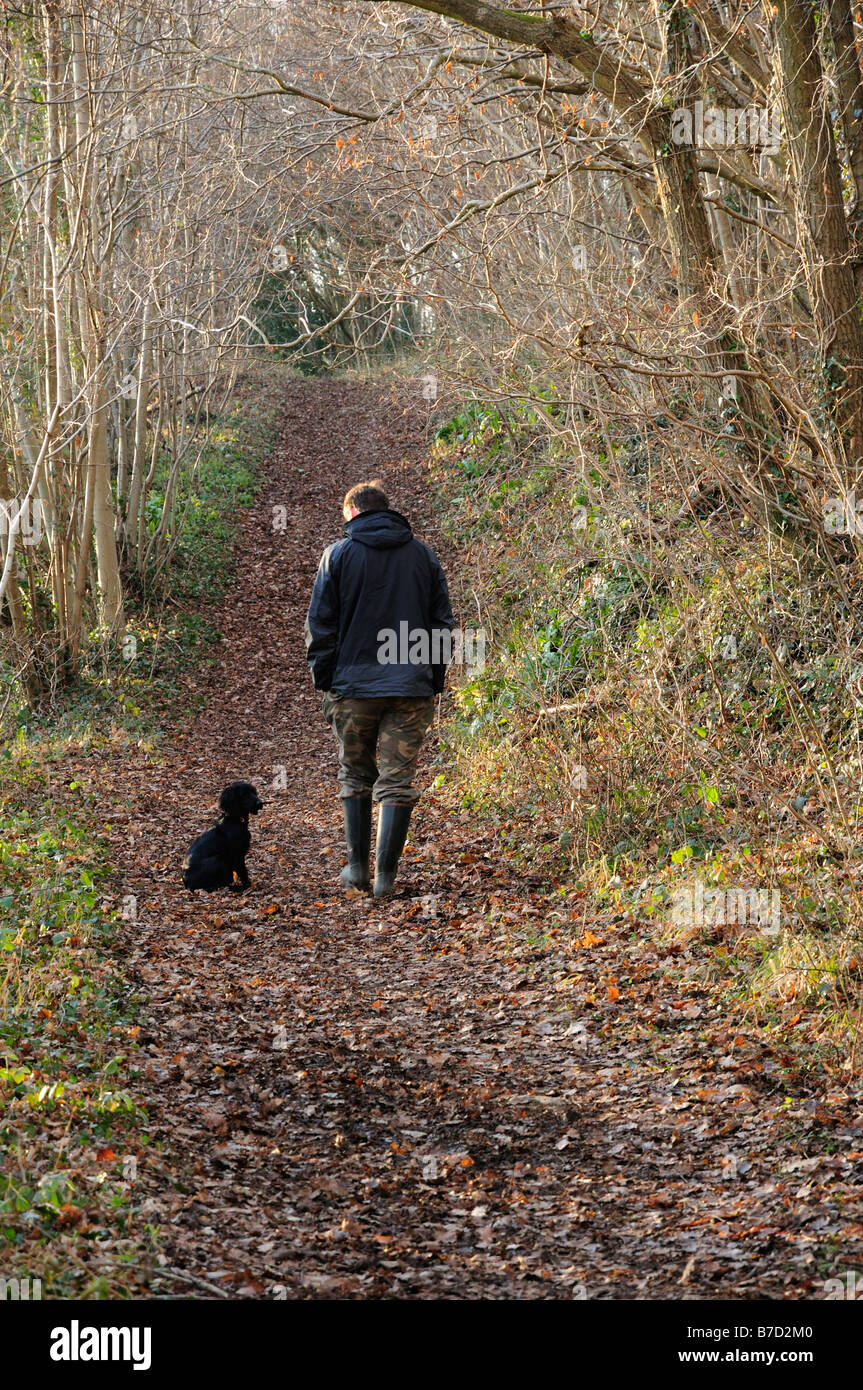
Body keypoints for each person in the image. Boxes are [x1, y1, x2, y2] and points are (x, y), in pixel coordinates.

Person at [305, 480, 454, 897]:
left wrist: (326, 681)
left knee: (355, 773)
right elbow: (443, 624)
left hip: (352, 687)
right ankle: (386, 880)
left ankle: (357, 870)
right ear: (385, 511)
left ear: (353, 513)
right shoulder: (423, 556)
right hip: (411, 685)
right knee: (397, 778)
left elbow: (320, 627)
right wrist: (432, 677)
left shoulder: (337, 555)